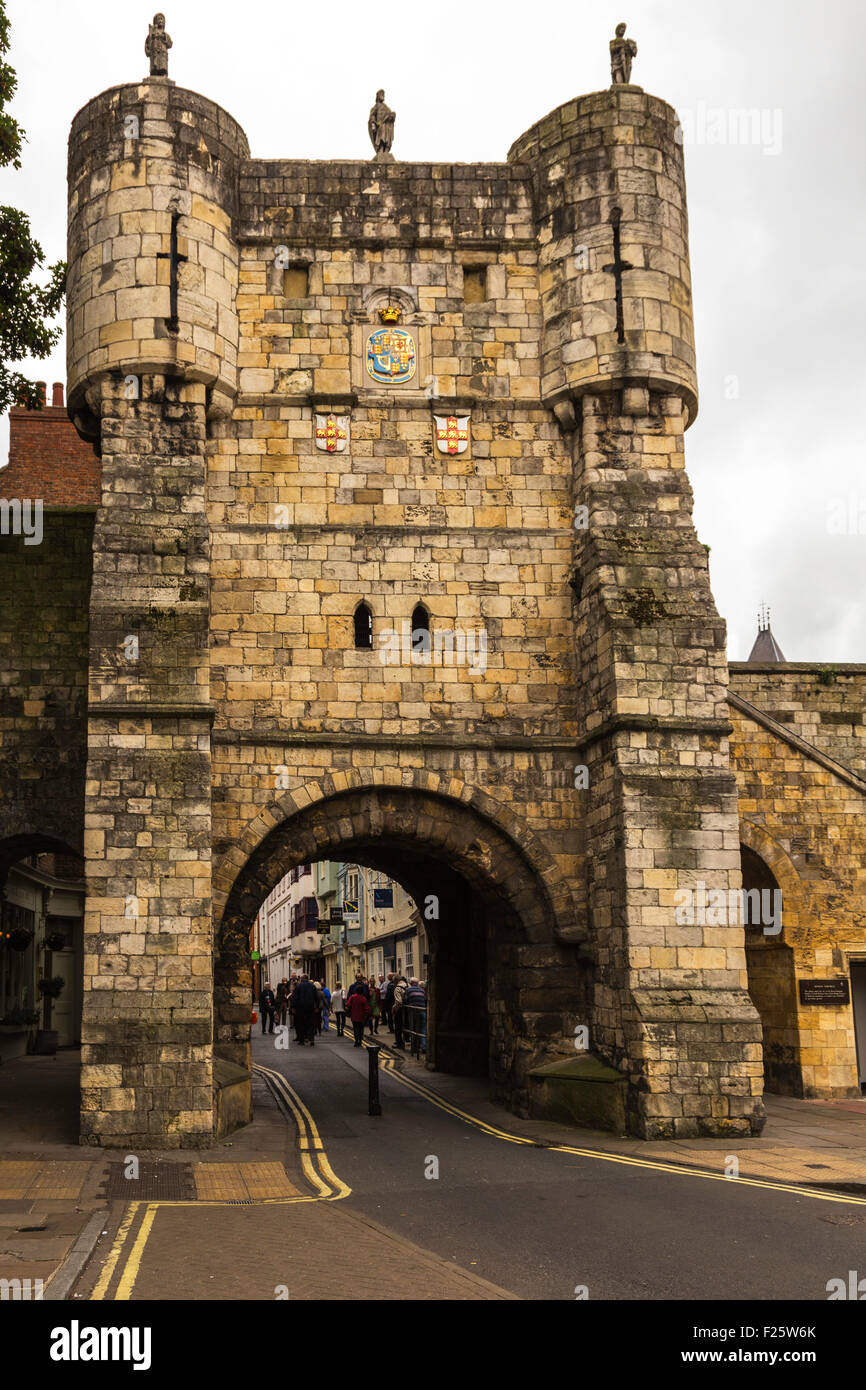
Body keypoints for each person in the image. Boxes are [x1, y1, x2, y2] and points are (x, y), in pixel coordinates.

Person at [290, 974, 318, 1046]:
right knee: (311, 1024)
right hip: (310, 1007)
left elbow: (294, 997)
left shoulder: (298, 986)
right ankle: (311, 1039)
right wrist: (316, 1007)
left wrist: (293, 1007)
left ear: (302, 979)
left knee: (301, 1024)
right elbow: (316, 997)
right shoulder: (313, 986)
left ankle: (301, 1040)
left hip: (300, 1008)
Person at [392, 975, 407, 1049]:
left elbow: (398, 1001)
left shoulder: (397, 988)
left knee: (398, 1027)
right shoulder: (407, 985)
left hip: (400, 1010)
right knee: (406, 1026)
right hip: (408, 1009)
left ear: (396, 981)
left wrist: (394, 1009)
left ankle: (399, 1043)